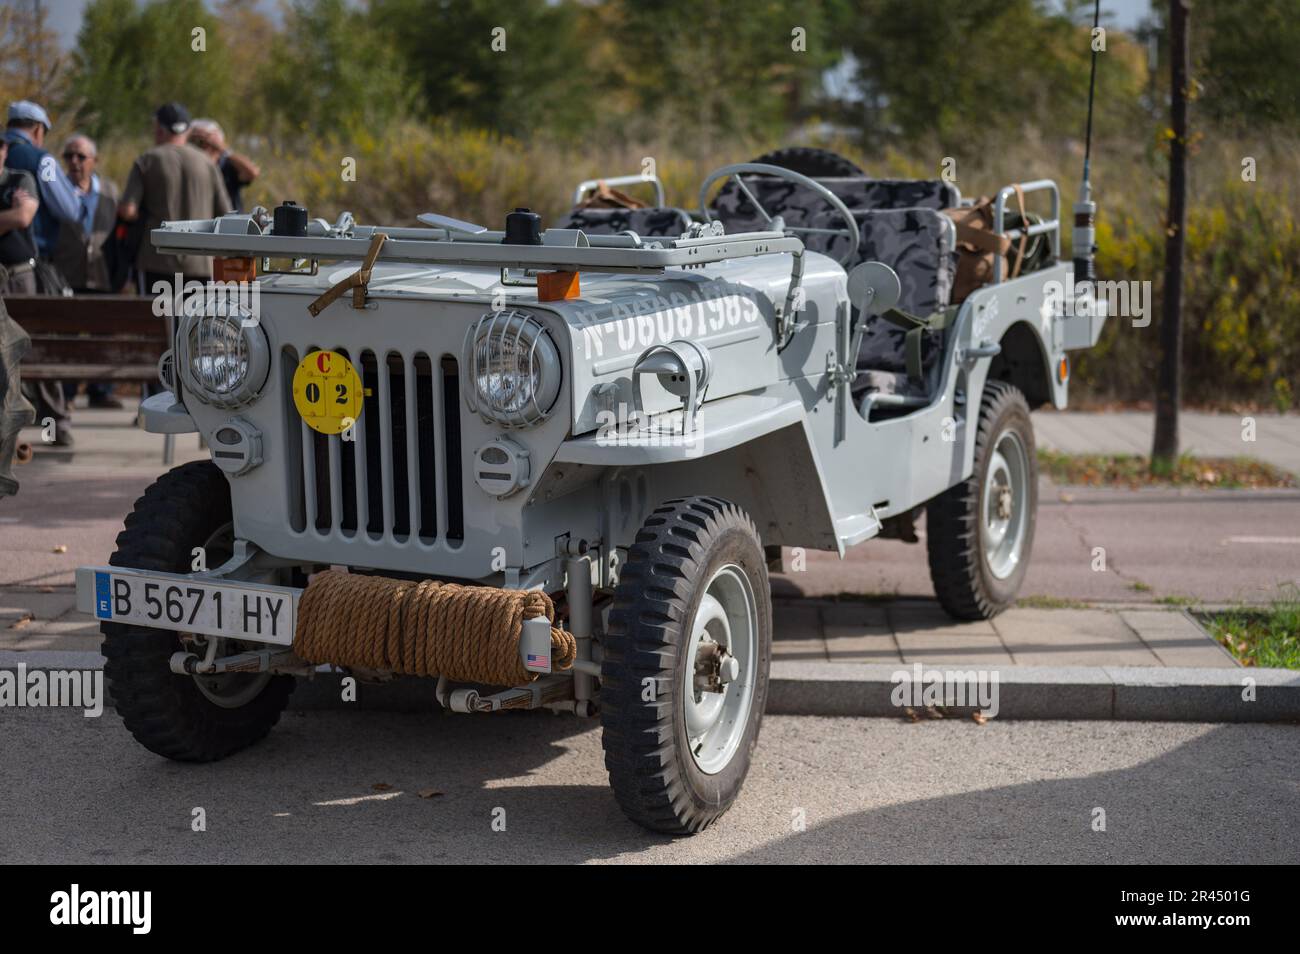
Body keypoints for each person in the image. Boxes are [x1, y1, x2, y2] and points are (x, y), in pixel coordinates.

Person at [5, 100, 79, 442]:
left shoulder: (6, 157)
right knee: (39, 340)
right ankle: (56, 423)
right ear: (38, 130)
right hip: (30, 267)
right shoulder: (41, 160)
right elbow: (69, 209)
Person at [118, 103, 232, 294]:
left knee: (154, 314)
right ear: (187, 131)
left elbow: (128, 211)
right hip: (200, 264)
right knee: (195, 315)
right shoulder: (208, 163)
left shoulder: (148, 160)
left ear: (159, 129)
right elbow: (226, 214)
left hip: (156, 261)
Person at [53, 133, 123, 409]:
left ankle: (101, 390)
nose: (74, 161)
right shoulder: (56, 189)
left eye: (81, 156)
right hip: (66, 273)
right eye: (68, 156)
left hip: (102, 274)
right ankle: (67, 393)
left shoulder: (110, 191)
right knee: (67, 335)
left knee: (103, 334)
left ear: (95, 160)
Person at [187, 119, 259, 213]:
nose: (202, 143)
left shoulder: (228, 164)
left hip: (228, 219)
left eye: (206, 139)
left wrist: (222, 148)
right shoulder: (189, 165)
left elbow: (252, 172)